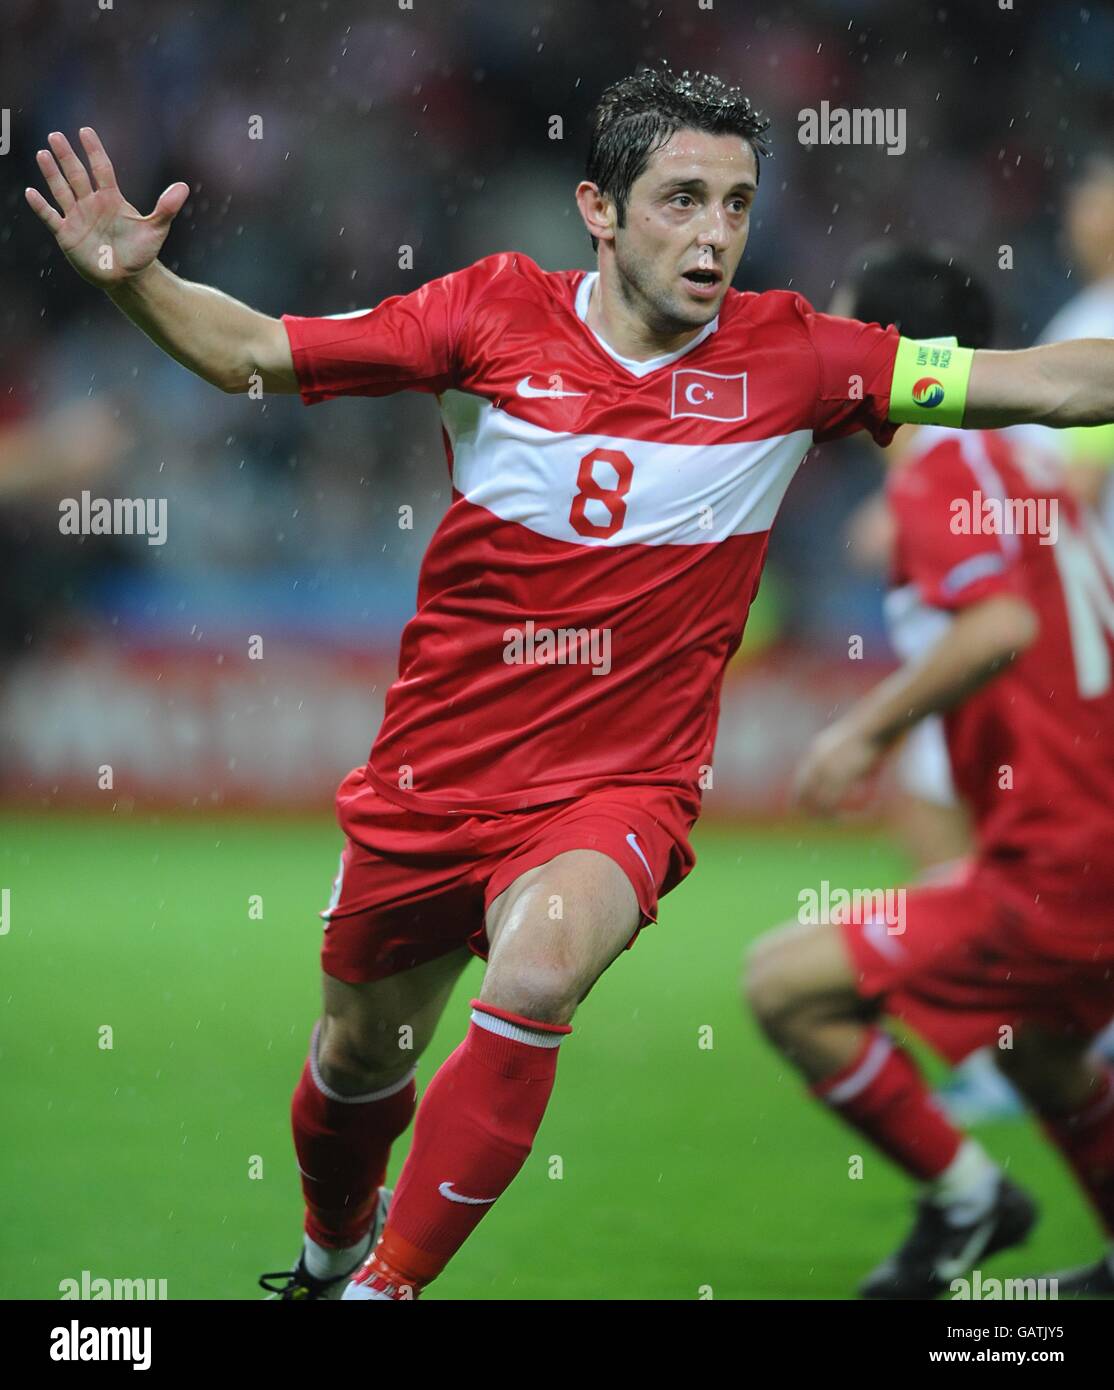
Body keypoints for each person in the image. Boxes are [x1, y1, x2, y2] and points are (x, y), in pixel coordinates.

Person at [27, 65, 1114, 1301]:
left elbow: (1045, 380)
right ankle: (331, 1254)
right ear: (599, 208)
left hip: (619, 789)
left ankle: (382, 1289)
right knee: (355, 1061)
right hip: (431, 777)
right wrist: (139, 279)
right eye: (681, 199)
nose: (713, 235)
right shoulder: (489, 313)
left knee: (539, 969)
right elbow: (255, 354)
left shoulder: (804, 358)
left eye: (737, 204)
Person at [745, 244, 1114, 1299]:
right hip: (1084, 834)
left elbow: (996, 623)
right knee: (1038, 1050)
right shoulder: (1027, 462)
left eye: (841, 332)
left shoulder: (939, 466)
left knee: (784, 987)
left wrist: (858, 732)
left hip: (1062, 858)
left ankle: (970, 1198)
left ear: (888, 355)